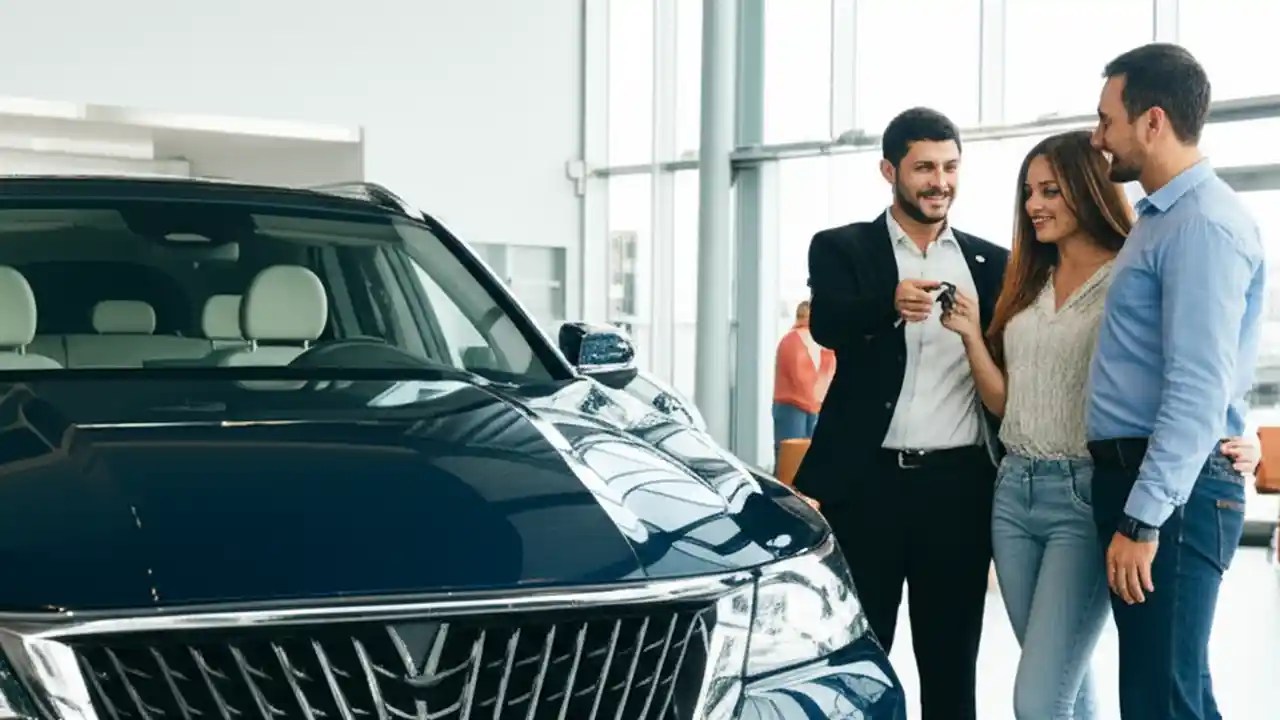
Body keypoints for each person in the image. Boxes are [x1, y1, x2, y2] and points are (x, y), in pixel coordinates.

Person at [939, 130, 1260, 719]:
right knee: (1067, 678)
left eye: (1051, 191)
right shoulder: (1025, 282)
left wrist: (1233, 430)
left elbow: (1199, 361)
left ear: (1087, 190)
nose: (1035, 204)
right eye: (1029, 192)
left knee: (1038, 699)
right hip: (1012, 495)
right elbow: (1009, 403)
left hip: (1084, 494)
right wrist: (971, 339)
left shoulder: (1129, 273)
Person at [794, 107, 1009, 720]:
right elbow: (830, 324)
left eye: (949, 167)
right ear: (889, 170)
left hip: (959, 490)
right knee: (858, 661)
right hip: (866, 489)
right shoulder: (843, 248)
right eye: (924, 167)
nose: (939, 180)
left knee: (951, 664)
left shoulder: (993, 262)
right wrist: (886, 305)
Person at [1086, 43, 1266, 719]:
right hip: (1151, 483)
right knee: (1167, 693)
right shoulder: (1161, 219)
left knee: (1163, 698)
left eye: (1107, 120)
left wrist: (1143, 513)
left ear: (1152, 121)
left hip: (1173, 494)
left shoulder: (1202, 227)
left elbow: (1196, 387)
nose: (1098, 137)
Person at [772, 300, 835, 454]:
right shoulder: (819, 340)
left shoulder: (789, 340)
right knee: (810, 459)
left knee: (790, 461)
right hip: (810, 406)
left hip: (791, 406)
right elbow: (826, 374)